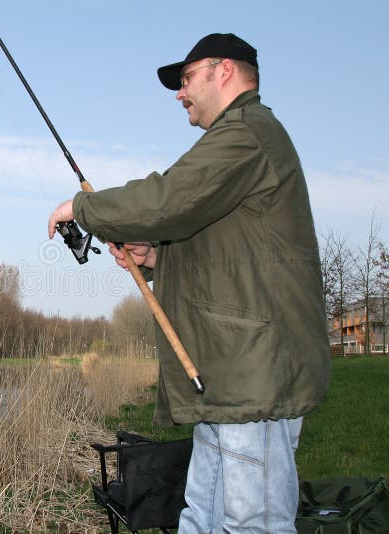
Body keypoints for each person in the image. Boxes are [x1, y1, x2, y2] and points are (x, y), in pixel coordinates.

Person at [48, 33, 330, 533]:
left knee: (250, 523)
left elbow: (170, 198)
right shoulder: (240, 142)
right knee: (201, 515)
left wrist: (85, 208)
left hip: (255, 377)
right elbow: (219, 246)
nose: (180, 93)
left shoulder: (247, 134)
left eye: (186, 78)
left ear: (224, 71)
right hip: (228, 374)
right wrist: (153, 256)